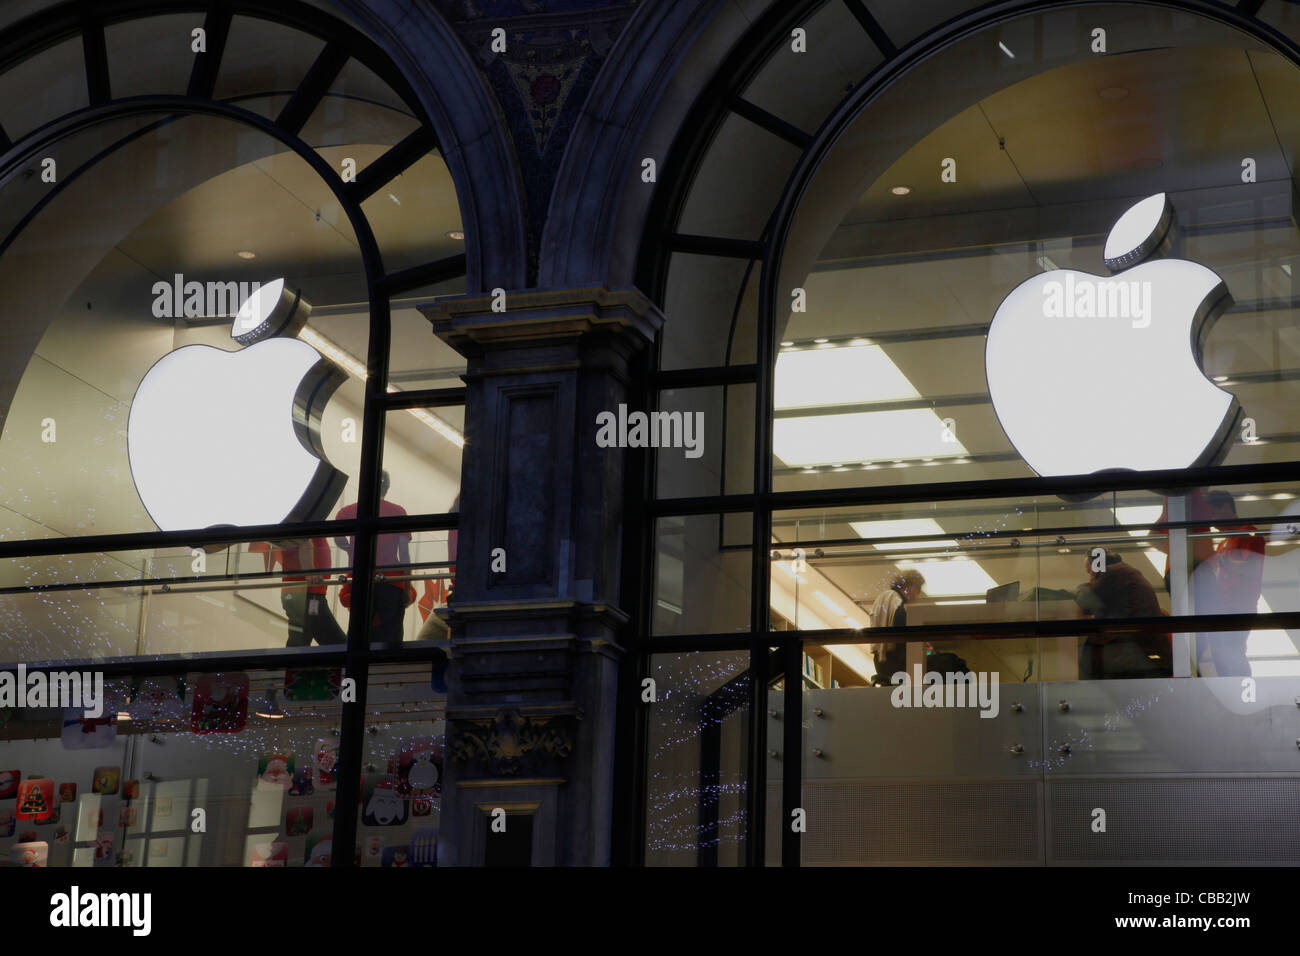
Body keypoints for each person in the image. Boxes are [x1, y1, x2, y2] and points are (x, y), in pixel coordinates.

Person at [334, 471, 413, 644]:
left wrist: (351, 550)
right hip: (391, 581)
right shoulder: (398, 511)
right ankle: (387, 660)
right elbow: (404, 553)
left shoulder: (347, 511)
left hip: (361, 578)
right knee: (391, 634)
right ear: (387, 489)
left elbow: (338, 538)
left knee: (359, 630)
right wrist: (407, 587)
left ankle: (357, 659)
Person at [1196, 491, 1264, 676]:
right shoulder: (1225, 542)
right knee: (1225, 654)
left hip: (1239, 606)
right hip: (1224, 607)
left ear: (1226, 507)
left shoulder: (1248, 532)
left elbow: (1251, 567)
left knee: (1232, 653)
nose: (1211, 521)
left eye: (1212, 513)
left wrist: (1219, 559)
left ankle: (1241, 688)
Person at [1074, 550, 1170, 679]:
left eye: (1090, 572)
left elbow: (1086, 601)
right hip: (1148, 651)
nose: (1090, 576)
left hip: (1135, 655)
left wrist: (1085, 586)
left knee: (1087, 656)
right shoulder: (1127, 572)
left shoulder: (1113, 573)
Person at [251, 538, 346, 647]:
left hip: (306, 592)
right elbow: (304, 541)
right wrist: (309, 571)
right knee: (339, 645)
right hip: (307, 592)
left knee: (299, 643)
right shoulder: (305, 530)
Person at [868, 569, 924, 685]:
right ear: (909, 586)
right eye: (918, 589)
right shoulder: (895, 601)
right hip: (894, 660)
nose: (917, 595)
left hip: (881, 660)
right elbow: (900, 631)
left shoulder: (884, 597)